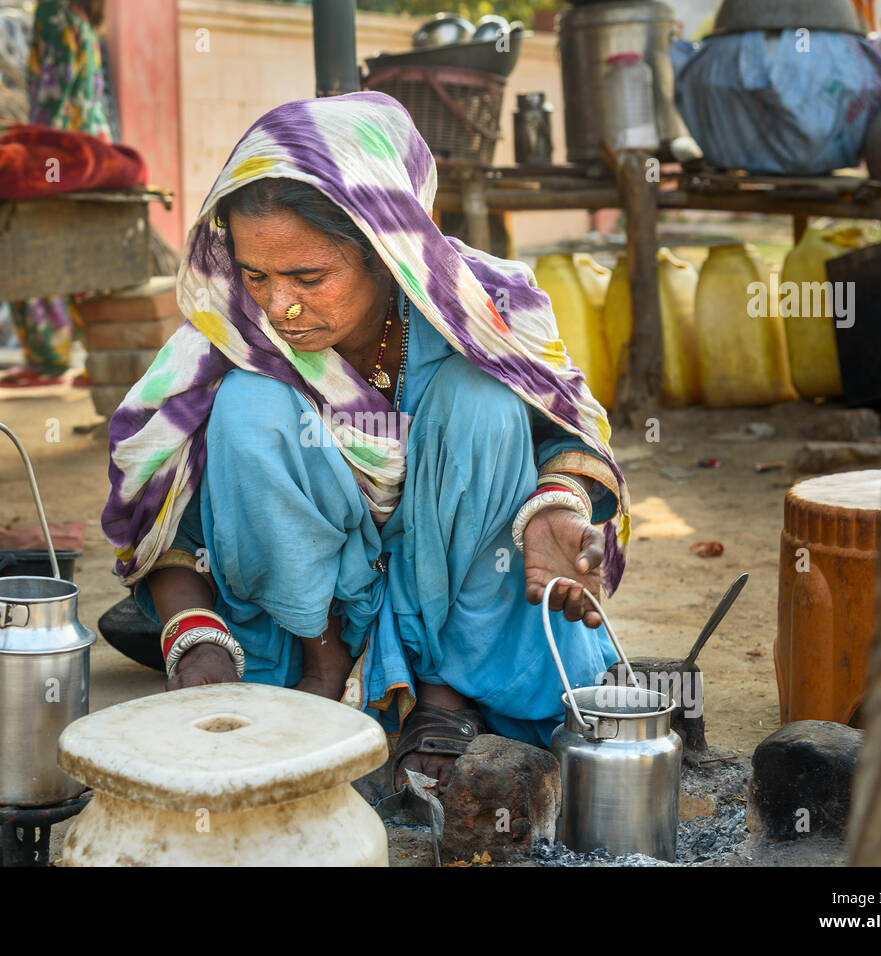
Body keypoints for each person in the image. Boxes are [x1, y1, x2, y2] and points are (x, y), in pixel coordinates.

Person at [103, 92, 632, 787]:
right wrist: (191, 633)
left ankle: (448, 692)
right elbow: (174, 524)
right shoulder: (229, 340)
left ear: (386, 251)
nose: (280, 308)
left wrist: (558, 503)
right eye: (256, 275)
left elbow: (565, 433)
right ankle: (322, 662)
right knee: (251, 407)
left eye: (309, 277)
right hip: (298, 635)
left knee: (482, 404)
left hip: (472, 607)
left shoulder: (482, 310)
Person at [0, 0, 112, 387]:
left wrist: (39, 160)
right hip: (94, 150)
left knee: (24, 242)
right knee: (81, 253)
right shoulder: (84, 18)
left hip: (62, 153)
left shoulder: (53, 12)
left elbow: (51, 98)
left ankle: (46, 359)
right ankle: (101, 358)